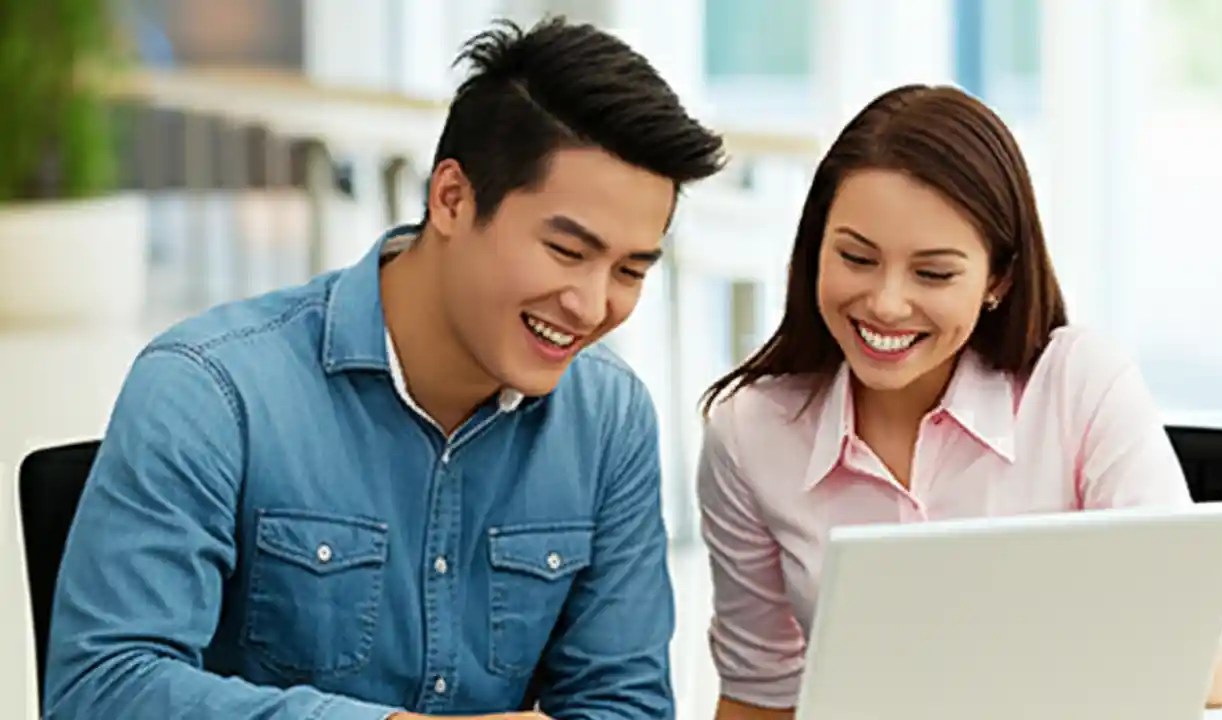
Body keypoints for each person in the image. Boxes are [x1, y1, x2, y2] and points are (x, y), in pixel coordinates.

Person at [44, 16, 725, 720]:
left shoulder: (607, 420)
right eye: (566, 251)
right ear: (452, 199)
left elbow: (624, 706)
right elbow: (101, 688)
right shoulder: (210, 389)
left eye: (630, 270)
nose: (591, 305)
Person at [695, 83, 1222, 719]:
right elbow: (758, 698)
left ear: (997, 278)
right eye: (857, 258)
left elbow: (1201, 666)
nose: (887, 303)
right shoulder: (750, 432)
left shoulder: (1080, 382)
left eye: (933, 274)